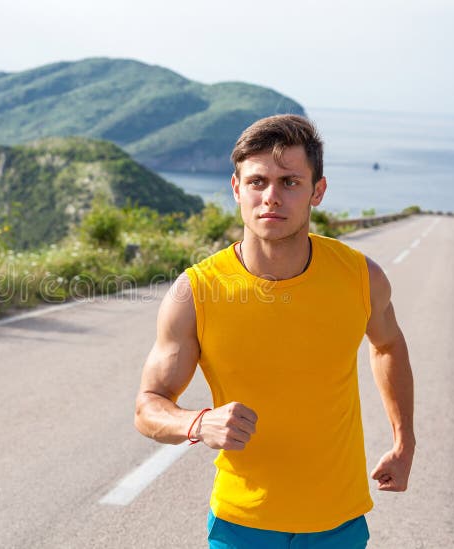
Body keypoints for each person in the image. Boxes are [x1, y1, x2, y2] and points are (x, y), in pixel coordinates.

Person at [134, 114, 415, 548]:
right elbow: (148, 406)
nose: (271, 197)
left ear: (317, 191)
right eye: (257, 182)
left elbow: (388, 344)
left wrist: (403, 439)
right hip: (241, 525)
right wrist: (198, 423)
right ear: (236, 188)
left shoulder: (360, 277)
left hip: (338, 522)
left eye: (289, 182)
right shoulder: (196, 292)